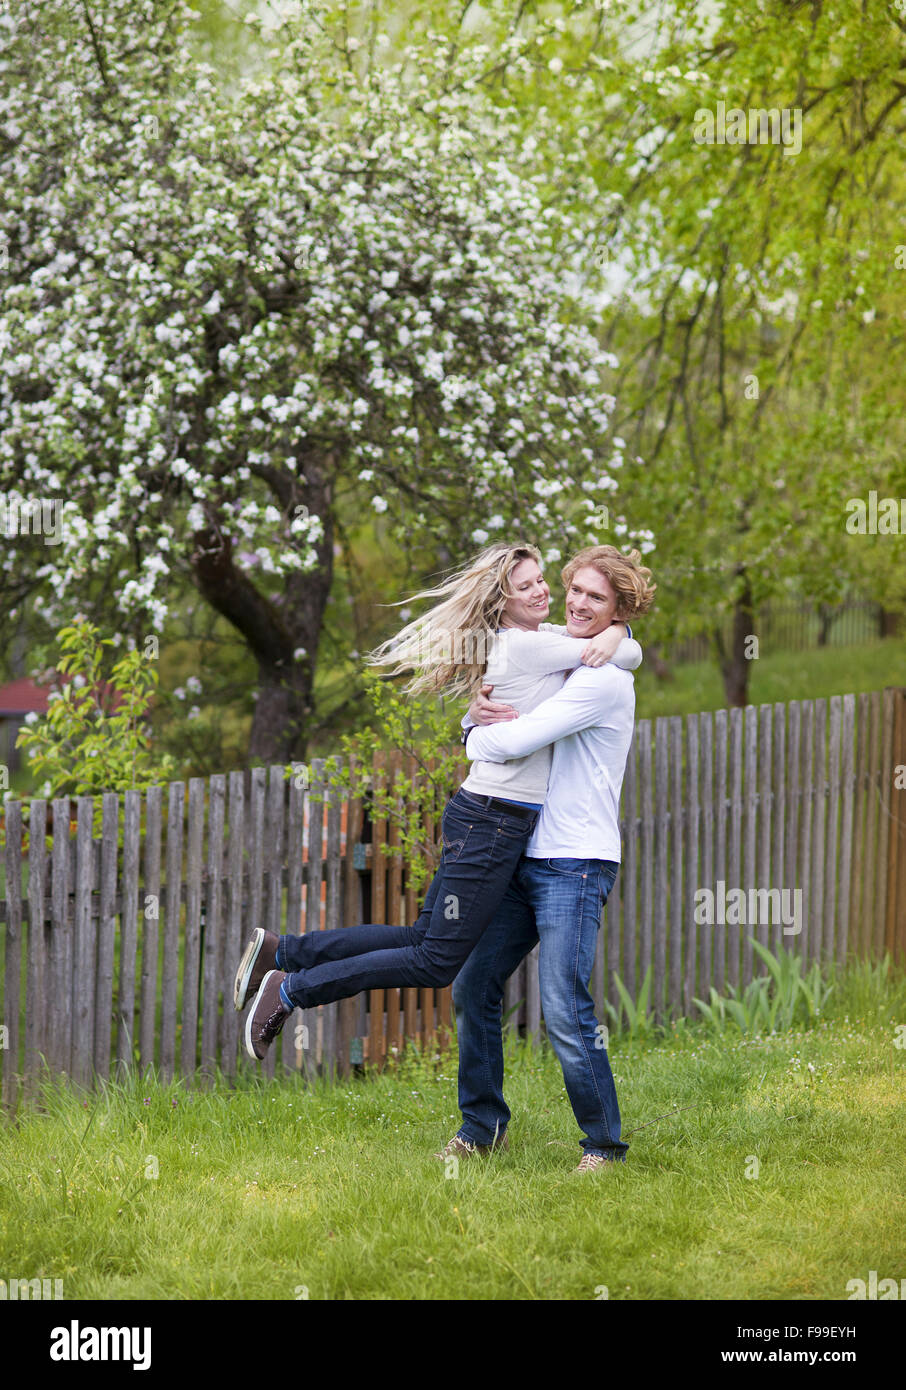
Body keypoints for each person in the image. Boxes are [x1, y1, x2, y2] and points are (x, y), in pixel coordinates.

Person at [234, 542, 642, 1062]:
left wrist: (618, 632)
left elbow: (613, 649)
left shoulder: (541, 638)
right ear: (501, 600)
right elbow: (615, 654)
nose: (544, 592)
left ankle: (282, 951)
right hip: (494, 819)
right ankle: (290, 990)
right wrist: (619, 633)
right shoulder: (525, 647)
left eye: (542, 580)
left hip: (488, 815)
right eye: (526, 586)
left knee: (420, 936)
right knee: (433, 960)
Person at [442, 544, 656, 1172]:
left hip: (577, 861)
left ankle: (604, 1145)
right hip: (524, 852)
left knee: (563, 1003)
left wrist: (473, 737)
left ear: (618, 606)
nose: (579, 604)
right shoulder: (577, 646)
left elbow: (519, 737)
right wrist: (468, 716)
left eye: (598, 598)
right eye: (576, 591)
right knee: (473, 980)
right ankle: (482, 1128)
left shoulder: (603, 679)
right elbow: (517, 681)